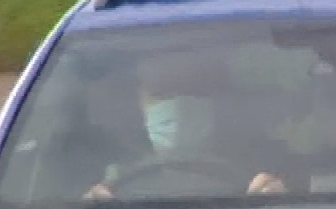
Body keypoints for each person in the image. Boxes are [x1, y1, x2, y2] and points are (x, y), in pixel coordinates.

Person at [82, 52, 285, 199]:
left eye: (192, 92)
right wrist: (91, 206)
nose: (178, 106)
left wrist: (276, 198)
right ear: (139, 101)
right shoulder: (102, 162)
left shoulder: (267, 159)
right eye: (161, 95)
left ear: (219, 99)